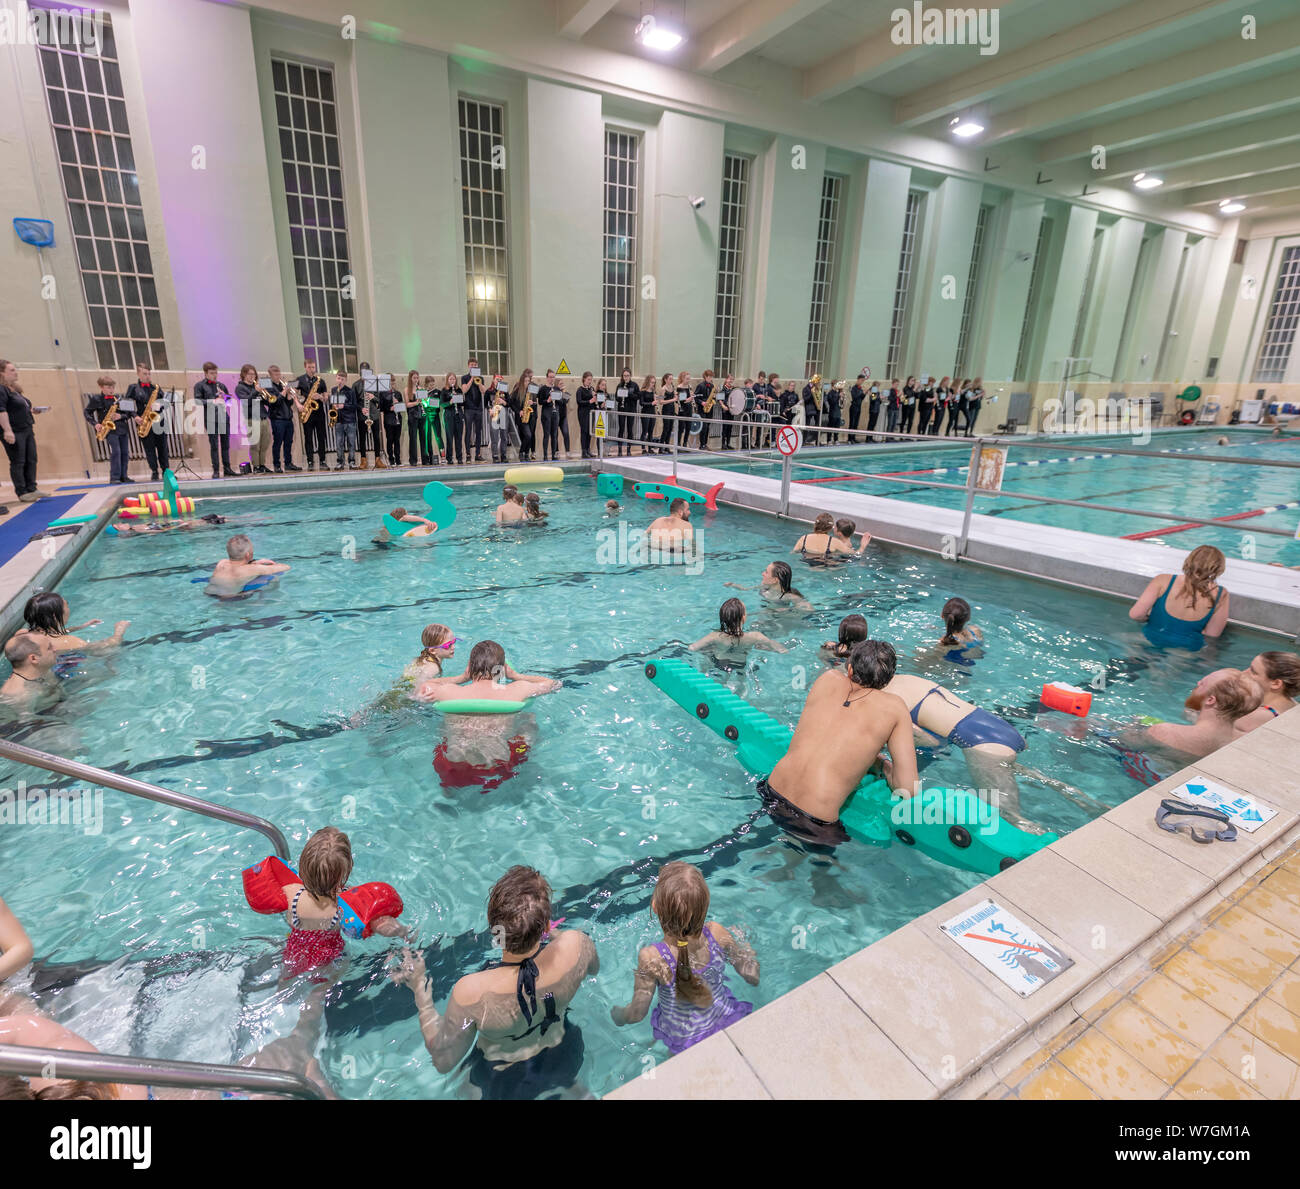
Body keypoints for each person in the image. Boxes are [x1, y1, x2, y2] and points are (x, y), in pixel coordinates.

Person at [390, 865, 598, 1100]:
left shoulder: (472, 992)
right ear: (545, 923)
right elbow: (593, 969)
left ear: (494, 929)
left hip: (504, 1079)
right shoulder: (577, 945)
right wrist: (552, 935)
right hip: (565, 1055)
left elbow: (443, 1061)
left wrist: (421, 993)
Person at [760, 640, 919, 846]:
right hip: (813, 822)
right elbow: (909, 790)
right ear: (888, 680)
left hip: (770, 791)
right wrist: (883, 766)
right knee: (824, 871)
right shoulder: (895, 707)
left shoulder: (827, 678)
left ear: (850, 668)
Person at [610, 861, 758, 1055]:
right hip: (726, 1019)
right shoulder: (718, 933)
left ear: (655, 907)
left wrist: (618, 1015)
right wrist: (746, 946)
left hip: (685, 1039)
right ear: (705, 906)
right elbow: (751, 976)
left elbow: (637, 1013)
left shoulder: (652, 957)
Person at [884, 670, 1040, 832]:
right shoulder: (907, 679)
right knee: (1012, 769)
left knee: (1010, 818)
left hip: (983, 746)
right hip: (998, 726)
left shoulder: (884, 701)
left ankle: (1045, 847)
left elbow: (930, 741)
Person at [275, 826, 405, 977]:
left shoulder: (293, 892)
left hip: (295, 949)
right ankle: (316, 997)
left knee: (286, 977)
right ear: (346, 870)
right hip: (327, 957)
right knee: (324, 985)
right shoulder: (341, 908)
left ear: (304, 866)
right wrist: (404, 932)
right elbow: (379, 926)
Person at [1123, 669, 1259, 763]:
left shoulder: (1164, 731)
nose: (1197, 683)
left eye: (1203, 684)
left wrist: (1132, 726)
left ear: (1210, 700)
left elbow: (1124, 743)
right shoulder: (1242, 741)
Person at [1128, 545, 1230, 648]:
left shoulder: (1163, 580)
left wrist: (1152, 619)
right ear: (1219, 569)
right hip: (1186, 652)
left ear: (1189, 561)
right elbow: (1212, 634)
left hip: (1149, 640)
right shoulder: (1221, 594)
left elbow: (1136, 614)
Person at [416, 640, 560, 704]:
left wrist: (462, 678)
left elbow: (425, 685)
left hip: (453, 761)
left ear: (470, 667)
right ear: (502, 669)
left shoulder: (448, 691)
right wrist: (516, 676)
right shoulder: (519, 689)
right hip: (500, 760)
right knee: (529, 720)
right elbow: (554, 684)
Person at [18, 592, 128, 653]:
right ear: (55, 616)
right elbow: (106, 645)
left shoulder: (22, 635)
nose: (68, 608)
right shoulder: (70, 642)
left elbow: (56, 633)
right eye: (67, 605)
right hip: (61, 678)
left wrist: (82, 626)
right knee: (111, 656)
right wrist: (119, 631)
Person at [0, 359, 44, 503]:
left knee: (31, 459)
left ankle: (32, 488)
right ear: (2, 373)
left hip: (26, 428)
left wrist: (32, 410)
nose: (15, 372)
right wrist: (7, 431)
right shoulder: (2, 389)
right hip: (14, 430)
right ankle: (22, 492)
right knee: (18, 461)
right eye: (11, 370)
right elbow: (2, 411)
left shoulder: (14, 389)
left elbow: (20, 407)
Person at [206, 533, 290, 598]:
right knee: (274, 578)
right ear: (248, 555)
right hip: (231, 599)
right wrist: (265, 565)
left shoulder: (222, 563)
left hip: (209, 594)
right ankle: (262, 603)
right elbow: (285, 567)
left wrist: (254, 563)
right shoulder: (253, 569)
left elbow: (236, 567)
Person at [125, 363, 171, 481]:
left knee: (163, 448)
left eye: (149, 374)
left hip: (158, 421)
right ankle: (154, 471)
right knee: (149, 449)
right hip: (143, 422)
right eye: (145, 374)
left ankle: (166, 471)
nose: (147, 376)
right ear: (138, 374)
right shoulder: (133, 388)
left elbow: (165, 403)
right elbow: (126, 405)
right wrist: (135, 416)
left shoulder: (156, 388)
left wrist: (160, 405)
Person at [690, 597, 786, 653]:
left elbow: (692, 648)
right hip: (740, 665)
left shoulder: (715, 636)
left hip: (721, 663)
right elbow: (780, 649)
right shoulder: (755, 636)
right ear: (743, 618)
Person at [1234, 652, 1300, 733]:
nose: (1244, 672)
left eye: (1253, 671)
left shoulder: (1258, 716)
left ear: (1276, 683)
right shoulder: (1294, 704)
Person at [86, 374, 133, 484]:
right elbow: (87, 412)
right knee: (116, 451)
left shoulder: (119, 398)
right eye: (108, 388)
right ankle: (114, 477)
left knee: (125, 452)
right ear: (101, 387)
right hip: (109, 430)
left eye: (112, 387)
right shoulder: (96, 399)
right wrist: (95, 424)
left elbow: (129, 413)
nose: (111, 390)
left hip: (122, 428)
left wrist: (120, 416)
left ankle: (124, 476)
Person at [193, 361, 235, 479]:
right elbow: (197, 401)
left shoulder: (221, 385)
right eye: (212, 373)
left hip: (223, 417)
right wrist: (213, 401)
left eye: (216, 373)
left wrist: (225, 396)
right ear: (206, 373)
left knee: (226, 444)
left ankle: (227, 468)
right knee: (214, 445)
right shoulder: (199, 386)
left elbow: (230, 403)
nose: (214, 375)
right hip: (211, 419)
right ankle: (216, 470)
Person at [0, 635, 61, 712]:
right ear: (33, 658)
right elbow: (25, 722)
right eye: (49, 647)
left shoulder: (45, 671)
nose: (55, 649)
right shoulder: (17, 696)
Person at [262, 363, 302, 473]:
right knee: (278, 442)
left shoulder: (281, 385)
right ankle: (277, 464)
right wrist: (284, 391)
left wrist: (289, 395)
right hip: (277, 419)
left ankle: (288, 463)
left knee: (289, 442)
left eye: (279, 374)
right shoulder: (268, 387)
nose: (278, 376)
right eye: (275, 374)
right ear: (270, 375)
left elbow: (288, 403)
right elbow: (274, 402)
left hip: (288, 417)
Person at [725, 561, 812, 611]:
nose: (762, 574)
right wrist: (733, 585)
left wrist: (786, 612)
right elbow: (746, 589)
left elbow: (809, 609)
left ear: (775, 580)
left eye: (766, 572)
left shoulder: (788, 596)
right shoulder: (764, 588)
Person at [235, 364, 271, 475]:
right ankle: (256, 466)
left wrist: (265, 396)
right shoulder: (240, 387)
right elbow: (246, 401)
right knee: (255, 445)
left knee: (265, 443)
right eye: (250, 374)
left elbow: (266, 402)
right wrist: (256, 391)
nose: (252, 376)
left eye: (254, 374)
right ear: (244, 375)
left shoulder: (257, 386)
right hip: (251, 418)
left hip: (263, 417)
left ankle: (262, 465)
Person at [294, 358, 329, 472]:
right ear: (305, 367)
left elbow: (325, 397)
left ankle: (323, 461)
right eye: (309, 367)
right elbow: (292, 392)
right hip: (306, 412)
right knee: (308, 438)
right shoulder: (299, 379)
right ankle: (310, 461)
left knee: (321, 437)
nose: (311, 369)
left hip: (319, 413)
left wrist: (321, 397)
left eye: (313, 367)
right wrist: (298, 404)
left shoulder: (320, 380)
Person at [792, 513, 868, 560]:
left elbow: (793, 553)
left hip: (805, 564)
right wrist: (863, 546)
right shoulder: (834, 542)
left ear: (815, 524)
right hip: (824, 568)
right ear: (830, 527)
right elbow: (856, 554)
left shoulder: (804, 538)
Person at [328, 370, 359, 470]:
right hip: (339, 420)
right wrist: (333, 407)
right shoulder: (333, 390)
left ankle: (352, 461)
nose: (340, 381)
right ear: (336, 378)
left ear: (345, 380)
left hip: (350, 421)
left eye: (342, 379)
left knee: (351, 442)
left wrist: (343, 406)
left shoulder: (350, 391)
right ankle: (340, 462)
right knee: (339, 442)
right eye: (338, 378)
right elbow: (331, 404)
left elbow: (354, 406)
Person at [461, 358, 487, 463]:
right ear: (468, 366)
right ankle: (468, 454)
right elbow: (464, 390)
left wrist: (479, 382)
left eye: (475, 365)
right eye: (472, 365)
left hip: (478, 408)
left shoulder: (480, 378)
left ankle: (478, 454)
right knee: (468, 432)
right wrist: (472, 378)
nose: (474, 366)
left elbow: (484, 391)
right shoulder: (464, 377)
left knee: (478, 432)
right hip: (468, 408)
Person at [404, 371, 432, 467]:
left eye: (417, 378)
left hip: (422, 415)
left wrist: (425, 400)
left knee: (423, 438)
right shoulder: (407, 389)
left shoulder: (421, 389)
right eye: (414, 378)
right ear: (410, 379)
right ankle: (413, 460)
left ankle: (425, 459)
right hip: (412, 416)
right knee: (413, 438)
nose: (416, 380)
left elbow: (426, 403)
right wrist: (416, 402)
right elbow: (407, 404)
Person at [576, 371, 596, 458]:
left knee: (589, 432)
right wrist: (589, 401)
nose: (589, 381)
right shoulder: (580, 390)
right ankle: (583, 451)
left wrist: (596, 399)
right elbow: (579, 402)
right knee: (584, 432)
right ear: (584, 379)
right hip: (583, 413)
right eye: (588, 379)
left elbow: (594, 402)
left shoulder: (591, 389)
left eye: (591, 380)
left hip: (591, 412)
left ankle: (588, 450)